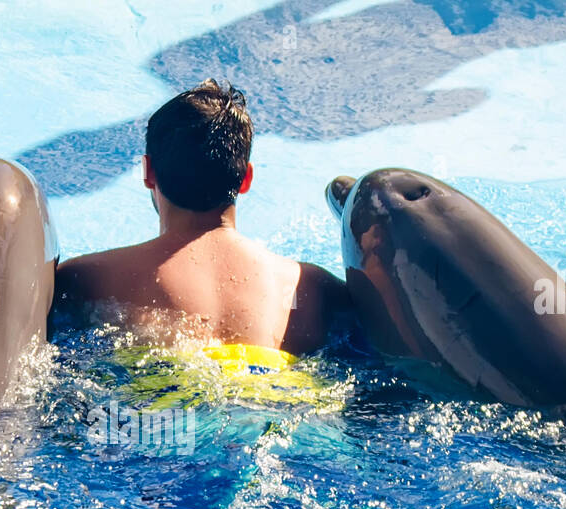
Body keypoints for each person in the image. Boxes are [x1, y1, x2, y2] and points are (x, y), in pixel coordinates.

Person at [52, 80, 361, 355]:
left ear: (148, 173)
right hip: (280, 399)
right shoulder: (312, 287)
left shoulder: (85, 279)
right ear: (246, 179)